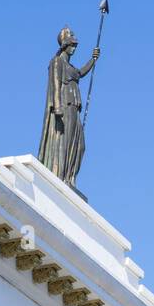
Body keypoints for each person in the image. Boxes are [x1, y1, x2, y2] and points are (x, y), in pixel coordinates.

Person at [38, 27, 101, 189]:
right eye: (71, 44)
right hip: (65, 107)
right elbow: (55, 84)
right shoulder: (56, 62)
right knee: (65, 143)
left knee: (80, 146)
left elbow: (79, 73)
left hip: (74, 108)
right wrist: (57, 107)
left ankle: (70, 176)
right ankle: (62, 175)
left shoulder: (70, 67)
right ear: (65, 44)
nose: (74, 48)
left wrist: (93, 60)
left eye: (75, 45)